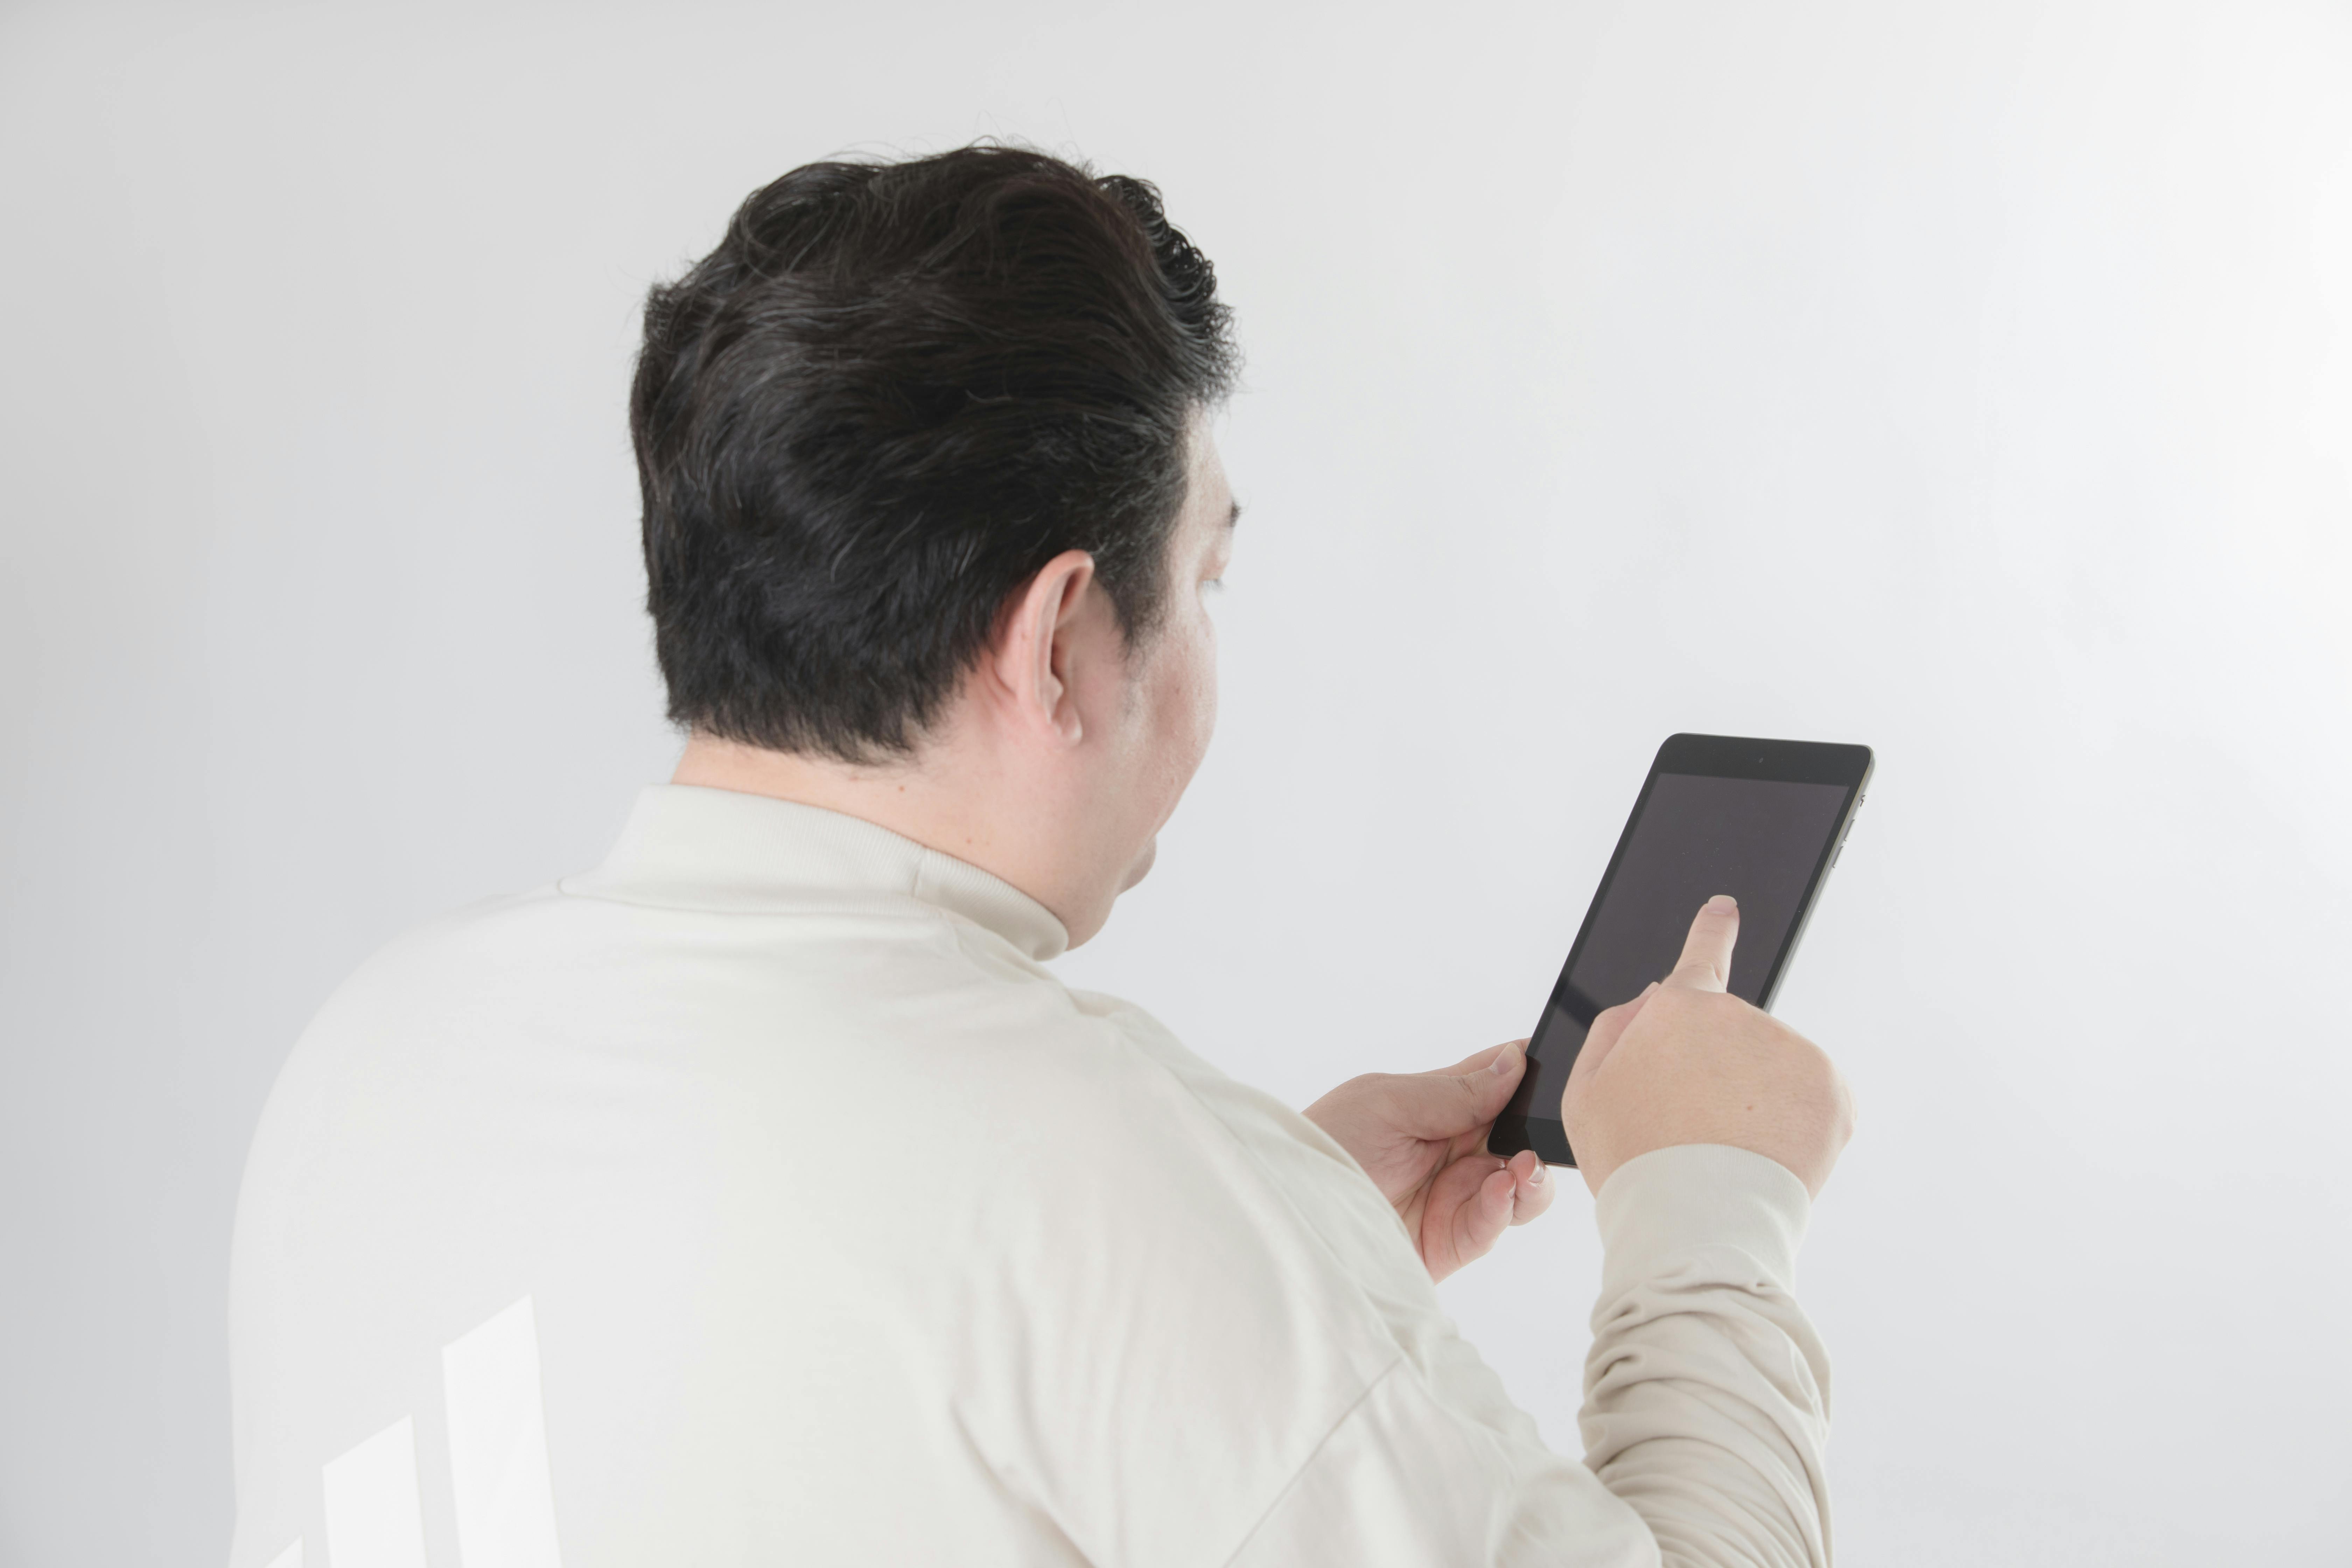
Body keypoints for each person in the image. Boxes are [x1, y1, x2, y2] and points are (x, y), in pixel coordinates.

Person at [227, 145, 1855, 1568]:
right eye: (1206, 578)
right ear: (1061, 636)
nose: (1210, 634)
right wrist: (1706, 1207)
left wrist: (1274, 1269)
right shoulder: (1110, 1182)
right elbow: (1032, 1226)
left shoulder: (374, 1045)